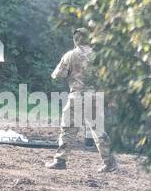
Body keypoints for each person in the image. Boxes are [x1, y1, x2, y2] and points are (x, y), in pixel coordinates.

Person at [46, 29, 118, 172]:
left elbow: (58, 75)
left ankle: (60, 160)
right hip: (95, 97)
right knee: (99, 130)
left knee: (68, 128)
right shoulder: (99, 57)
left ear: (75, 39)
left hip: (77, 96)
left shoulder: (70, 55)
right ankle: (110, 162)